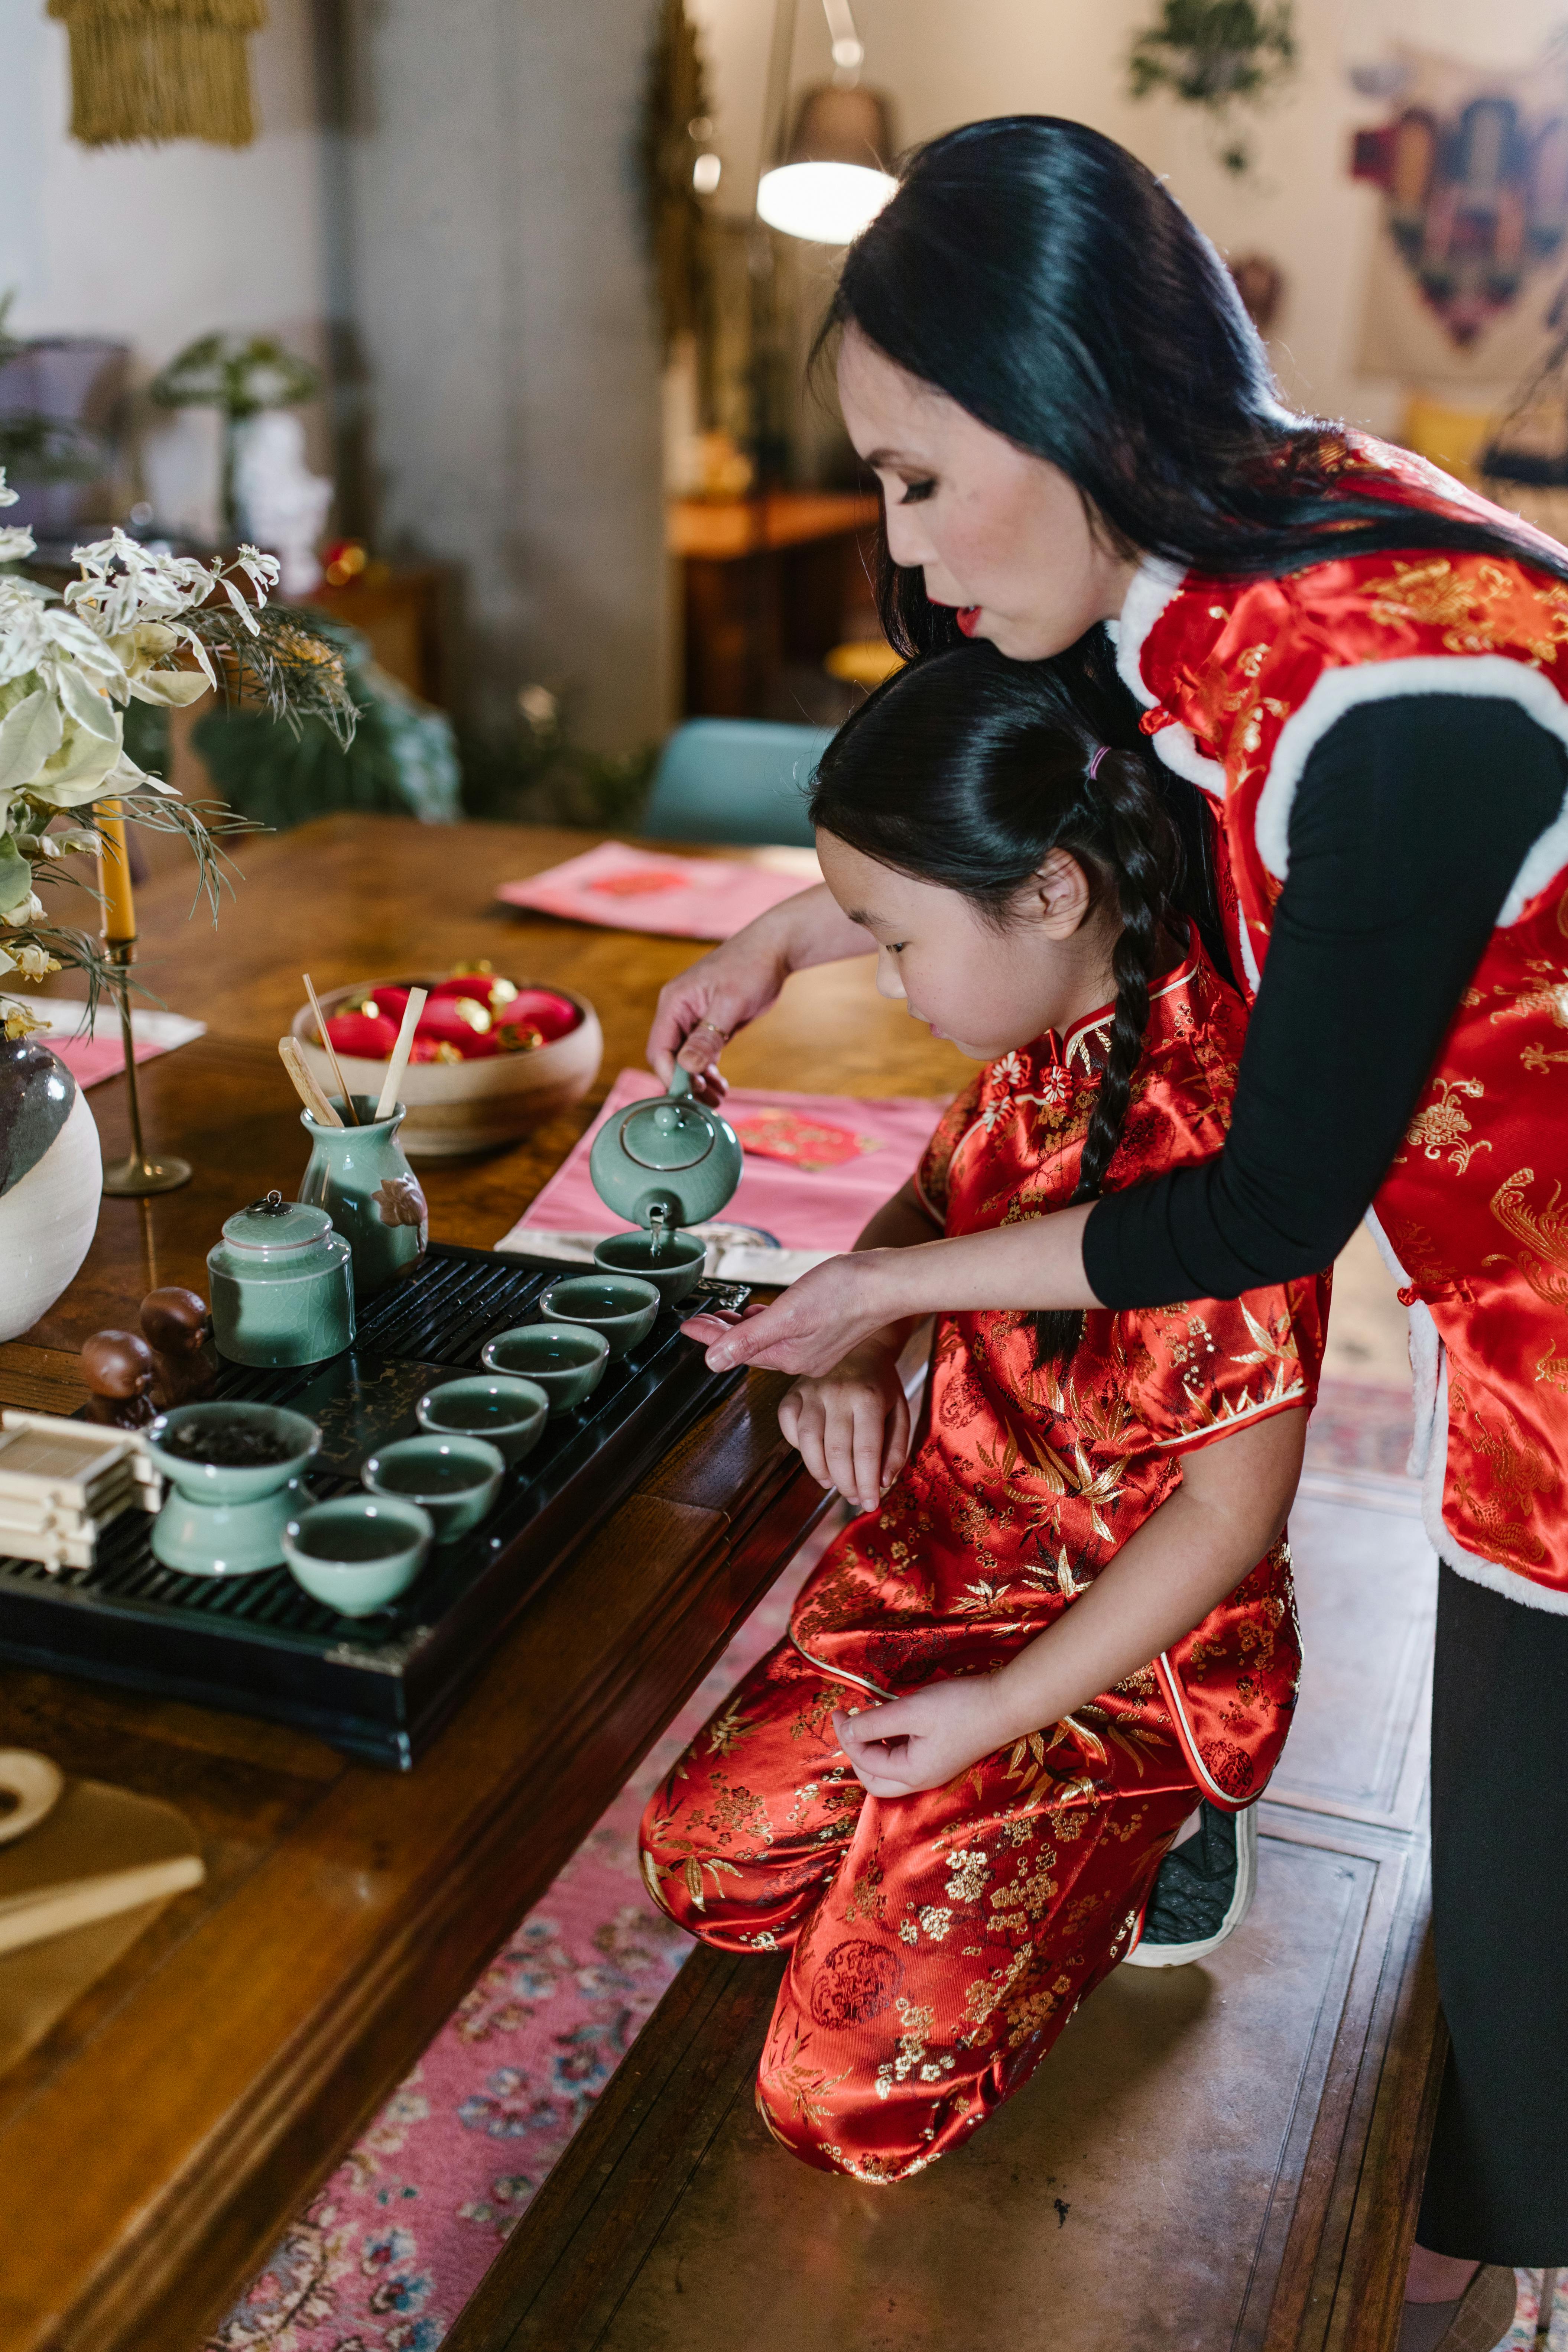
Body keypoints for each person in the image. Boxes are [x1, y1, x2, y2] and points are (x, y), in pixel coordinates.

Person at [648, 117, 1565, 2348]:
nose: (905, 540)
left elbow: (1265, 1201)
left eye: (918, 474)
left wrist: (875, 1283)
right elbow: (1071, 814)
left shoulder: (1402, 695)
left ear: (1075, 409)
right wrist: (795, 927)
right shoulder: (1185, 560)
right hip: (1494, 1237)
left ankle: (1463, 2264)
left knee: (1526, 1817)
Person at [640, 648, 1329, 2181]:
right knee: (706, 1869)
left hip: (1122, 1656)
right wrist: (853, 1340)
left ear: (1053, 893)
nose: (885, 979)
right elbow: (926, 1208)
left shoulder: (1224, 1135)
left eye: (894, 940)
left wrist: (997, 1715)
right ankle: (977, 1830)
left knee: (842, 2106)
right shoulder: (1047, 1034)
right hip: (948, 1568)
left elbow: (1231, 1518)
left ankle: (1164, 1825)